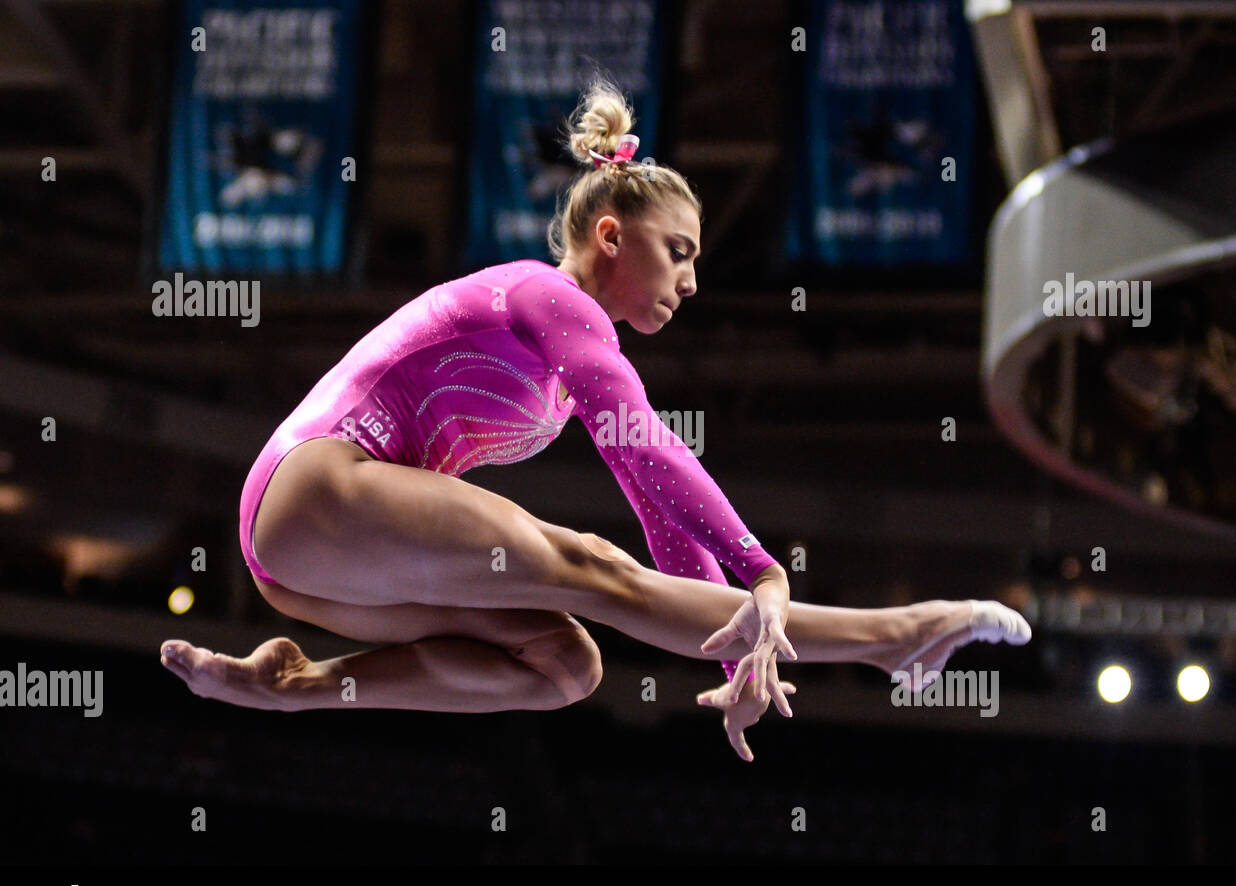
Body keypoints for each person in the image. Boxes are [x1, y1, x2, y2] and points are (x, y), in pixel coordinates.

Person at [160, 76, 1030, 761]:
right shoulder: (548, 295)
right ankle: (893, 635)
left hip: (314, 569)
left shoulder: (577, 371)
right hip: (317, 483)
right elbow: (651, 444)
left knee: (564, 668)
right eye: (679, 251)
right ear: (612, 236)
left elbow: (659, 517)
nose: (690, 280)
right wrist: (762, 571)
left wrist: (738, 656)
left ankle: (291, 684)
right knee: (589, 563)